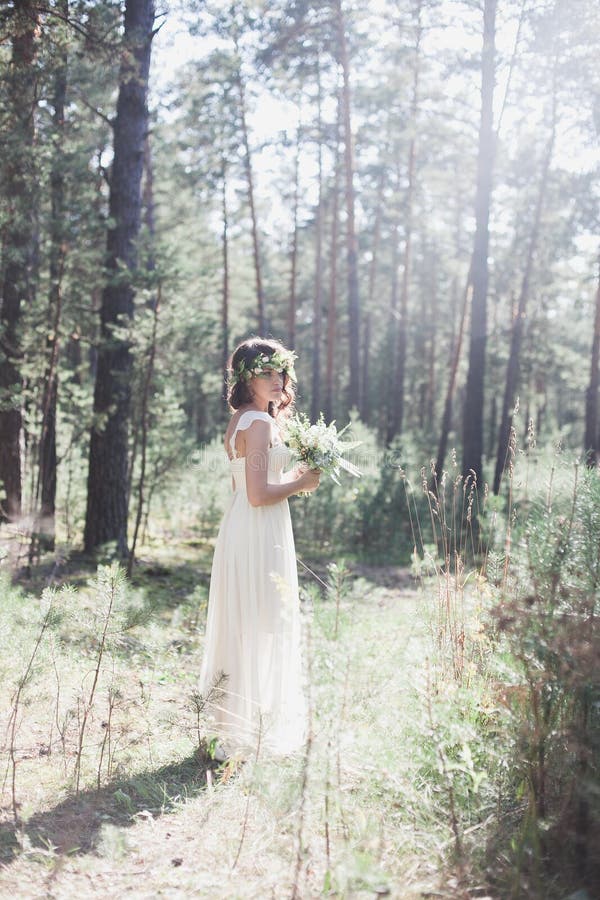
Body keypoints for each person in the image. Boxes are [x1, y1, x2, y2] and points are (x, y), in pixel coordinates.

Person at [198, 337, 320, 758]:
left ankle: (237, 724)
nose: (277, 379)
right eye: (266, 372)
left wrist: (294, 473)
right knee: (262, 621)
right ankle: (253, 731)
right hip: (257, 526)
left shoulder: (240, 420)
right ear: (246, 377)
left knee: (248, 621)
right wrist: (302, 482)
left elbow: (249, 487)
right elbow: (257, 493)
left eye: (280, 372)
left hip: (241, 528)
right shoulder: (261, 424)